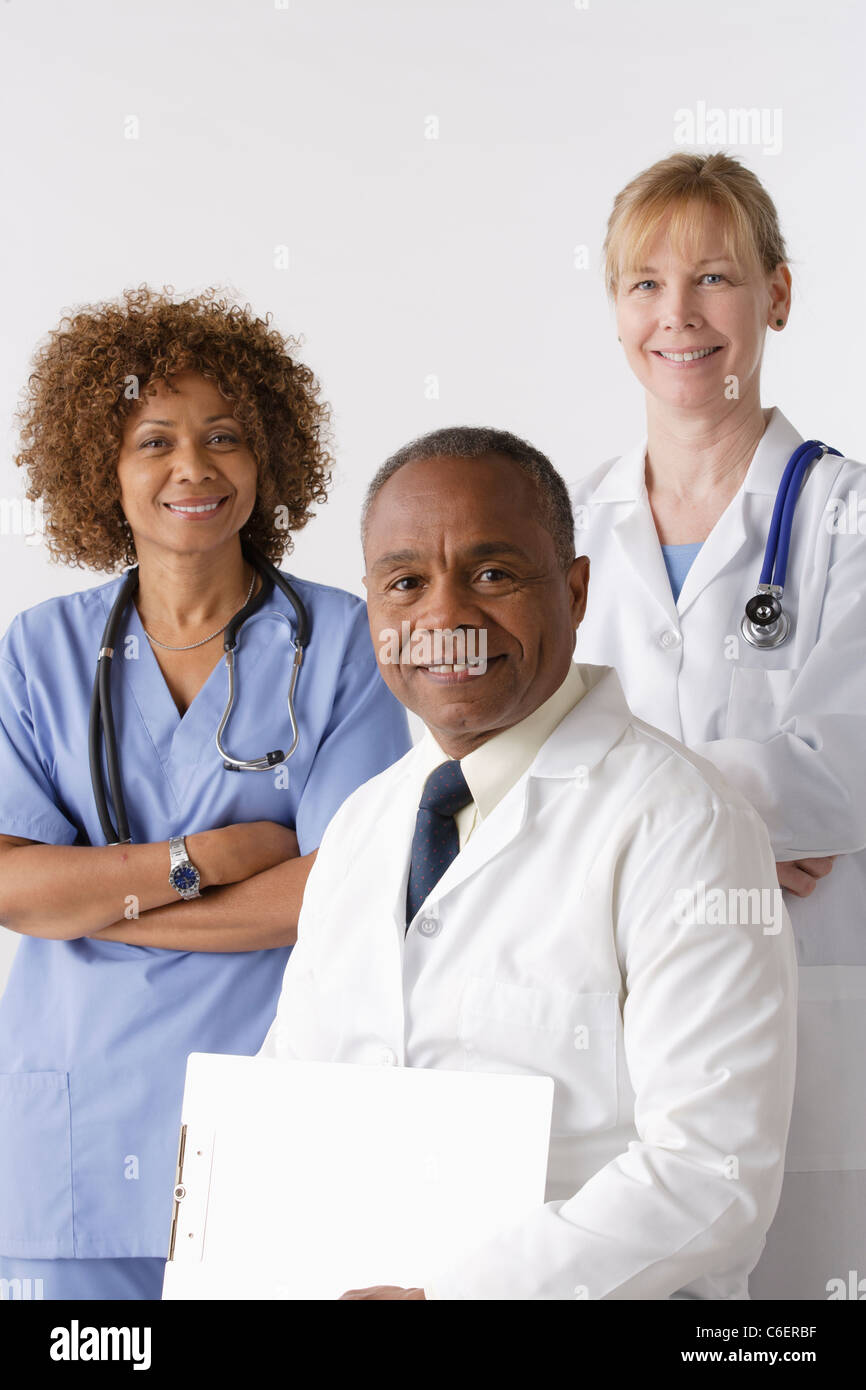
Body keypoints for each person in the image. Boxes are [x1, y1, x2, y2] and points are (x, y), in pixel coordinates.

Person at [260, 426, 797, 1301]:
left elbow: (712, 1171)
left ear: (576, 591)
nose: (445, 618)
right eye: (405, 584)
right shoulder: (366, 825)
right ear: (374, 617)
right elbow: (285, 1109)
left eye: (493, 574)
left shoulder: (684, 825)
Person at [0, 287, 410, 1301]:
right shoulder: (39, 651)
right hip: (74, 1154)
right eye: (155, 440)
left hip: (265, 1126)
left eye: (224, 436)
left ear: (266, 457)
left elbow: (335, 894)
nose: (194, 467)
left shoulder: (344, 643)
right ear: (105, 466)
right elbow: (13, 888)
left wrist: (99, 907)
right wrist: (204, 862)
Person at [570, 151, 866, 1299]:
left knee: (805, 1293)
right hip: (627, 992)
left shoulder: (847, 519)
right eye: (643, 283)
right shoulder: (570, 524)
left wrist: (635, 809)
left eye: (713, 279)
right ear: (614, 311)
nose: (676, 315)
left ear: (775, 296)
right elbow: (528, 762)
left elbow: (846, 759)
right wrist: (741, 816)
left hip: (816, 989)